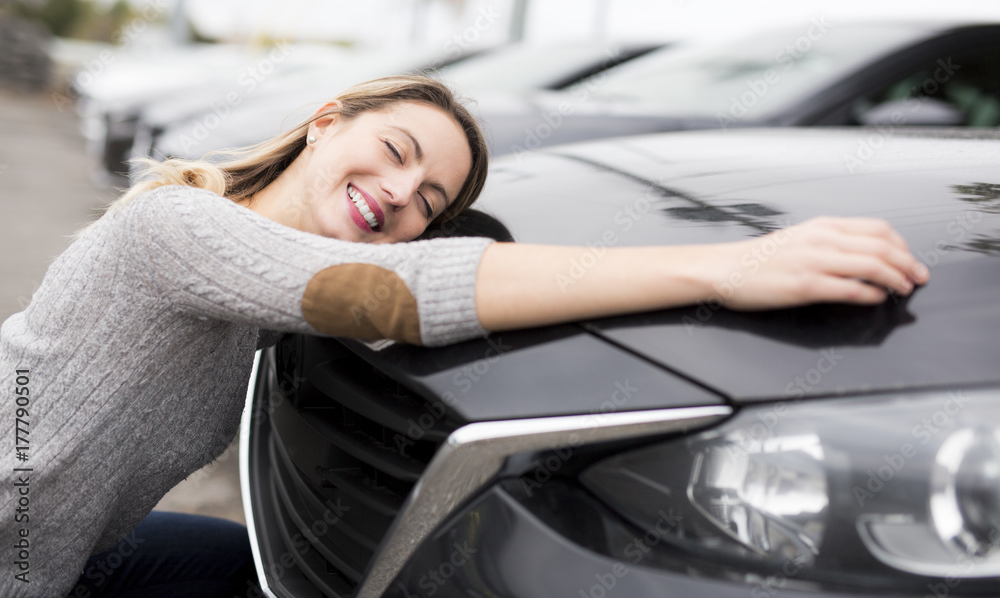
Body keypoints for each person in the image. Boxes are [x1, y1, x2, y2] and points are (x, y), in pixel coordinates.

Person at [0, 75, 928, 597]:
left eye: (428, 203)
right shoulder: (177, 228)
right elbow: (388, 295)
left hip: (73, 553)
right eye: (399, 154)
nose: (400, 196)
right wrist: (724, 268)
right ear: (327, 123)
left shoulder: (258, 281)